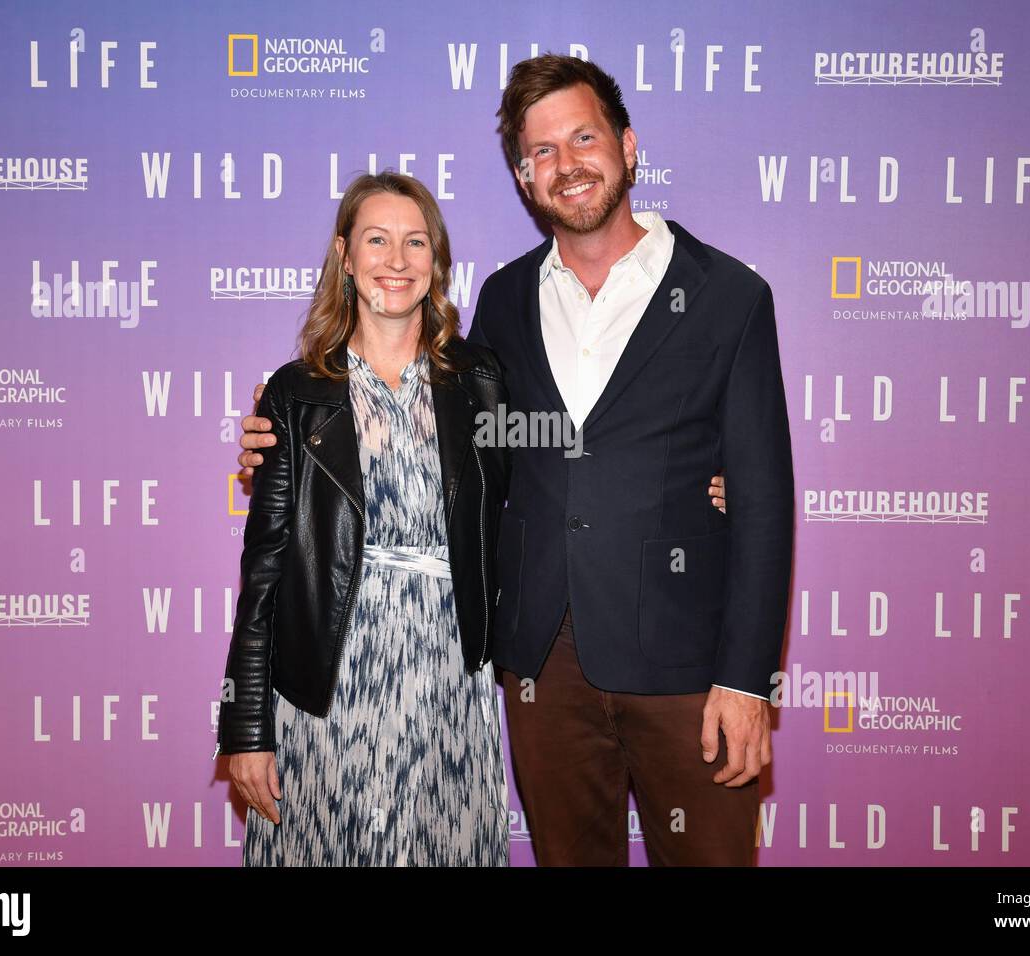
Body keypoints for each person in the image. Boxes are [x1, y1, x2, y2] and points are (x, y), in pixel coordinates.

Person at [239, 54, 792, 866]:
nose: (566, 165)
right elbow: (441, 436)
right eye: (540, 152)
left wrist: (747, 683)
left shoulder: (729, 296)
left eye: (583, 138)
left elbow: (765, 500)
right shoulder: (504, 300)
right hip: (543, 667)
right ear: (525, 179)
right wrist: (281, 436)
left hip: (688, 665)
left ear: (628, 147)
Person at [215, 171, 512, 866]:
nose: (397, 260)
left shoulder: (481, 381)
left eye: (416, 242)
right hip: (326, 682)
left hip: (448, 679)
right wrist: (248, 725)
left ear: (437, 261)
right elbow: (265, 570)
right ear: (345, 256)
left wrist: (696, 484)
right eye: (377, 240)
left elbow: (550, 487)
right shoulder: (297, 393)